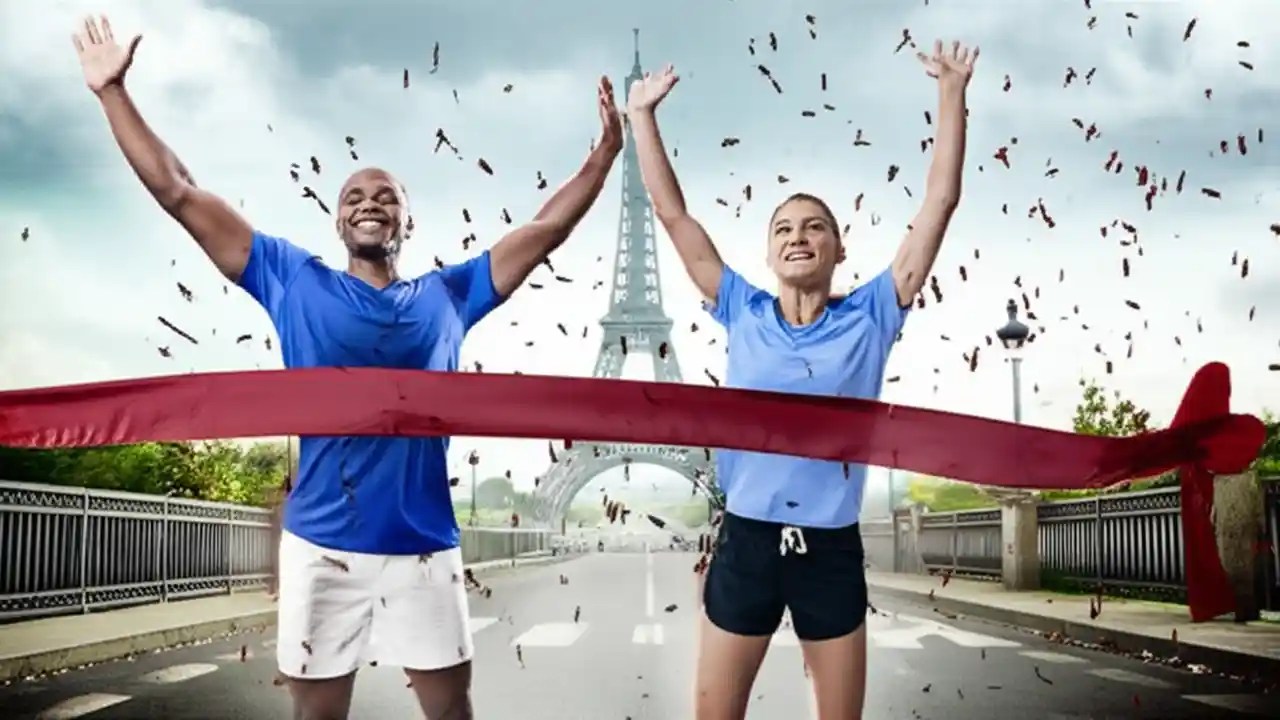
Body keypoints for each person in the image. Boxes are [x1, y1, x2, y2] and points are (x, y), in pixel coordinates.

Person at [71, 14, 623, 720]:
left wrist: (604, 156)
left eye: (387, 196)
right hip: (320, 547)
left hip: (423, 545)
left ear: (406, 223)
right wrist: (113, 93)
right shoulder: (290, 279)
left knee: (451, 712)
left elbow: (545, 231)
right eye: (354, 197)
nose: (370, 203)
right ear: (337, 223)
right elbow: (179, 191)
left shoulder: (451, 295)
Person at [627, 39, 978, 720]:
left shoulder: (873, 314)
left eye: (815, 227)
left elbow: (938, 203)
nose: (798, 236)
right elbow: (674, 218)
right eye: (783, 227)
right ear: (767, 250)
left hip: (829, 548)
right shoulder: (742, 308)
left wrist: (952, 92)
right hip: (749, 543)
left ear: (838, 247)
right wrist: (644, 118)